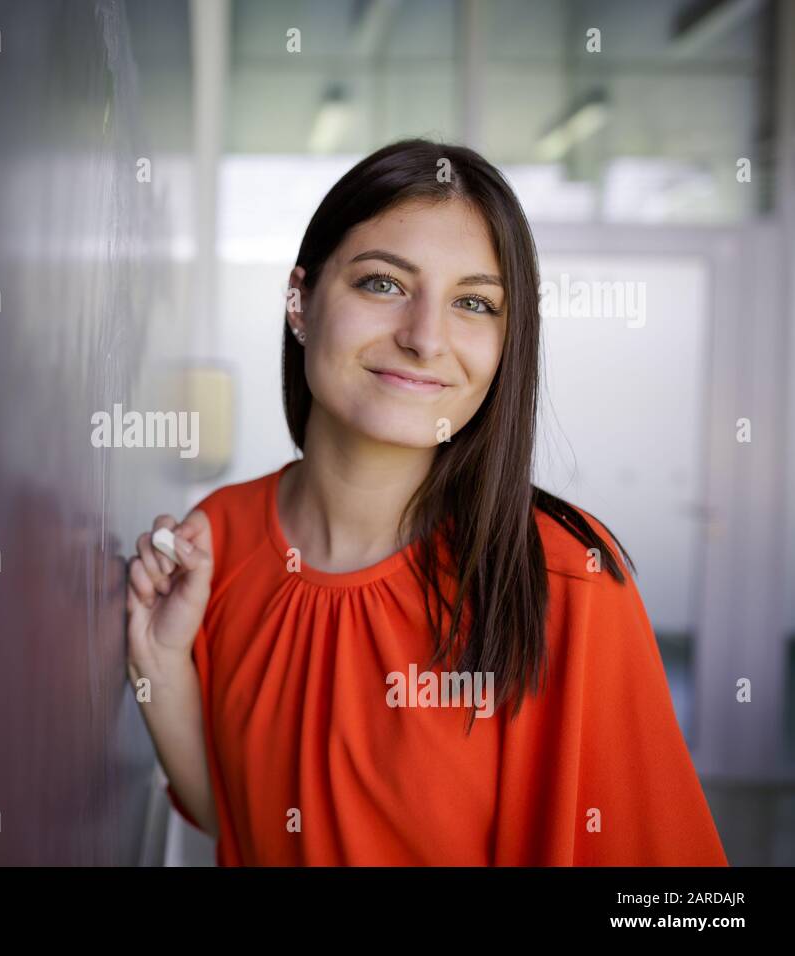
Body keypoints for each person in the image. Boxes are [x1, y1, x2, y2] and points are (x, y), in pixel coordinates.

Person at [126, 138, 729, 866]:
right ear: (301, 302)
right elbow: (235, 818)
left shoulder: (564, 577)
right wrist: (161, 663)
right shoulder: (215, 543)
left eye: (474, 303)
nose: (424, 338)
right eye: (383, 284)